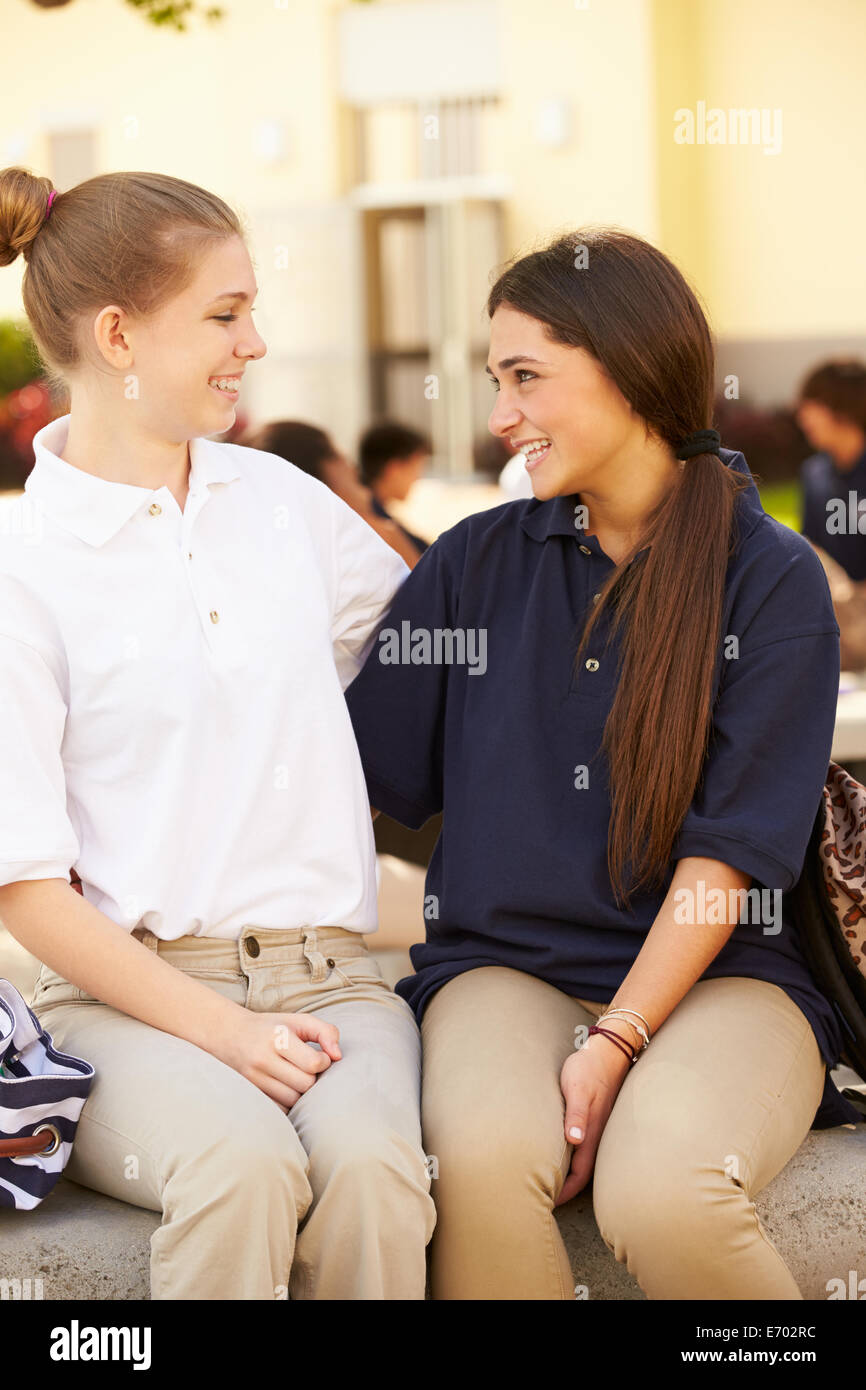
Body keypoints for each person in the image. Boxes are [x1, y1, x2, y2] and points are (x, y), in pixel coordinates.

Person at [343, 227, 863, 1301]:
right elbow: (353, 776)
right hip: (503, 966)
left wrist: (615, 1038)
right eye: (495, 380)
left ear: (628, 368)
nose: (498, 416)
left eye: (525, 376)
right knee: (479, 1168)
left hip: (722, 977)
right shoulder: (474, 562)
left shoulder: (766, 580)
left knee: (666, 1189)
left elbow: (725, 861)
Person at [0, 167, 435, 1297]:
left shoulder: (282, 502)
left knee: (383, 1170)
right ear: (117, 334)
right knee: (242, 1167)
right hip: (123, 1001)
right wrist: (225, 1033)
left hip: (335, 980)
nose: (253, 343)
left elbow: (439, 649)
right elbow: (26, 892)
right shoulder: (19, 571)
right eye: (224, 314)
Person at [243, 419, 423, 569]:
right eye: (336, 454)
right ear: (317, 474)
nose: (352, 467)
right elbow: (434, 599)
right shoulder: (368, 539)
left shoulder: (276, 554)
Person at [797, 359, 866, 582]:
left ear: (844, 406)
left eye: (813, 403)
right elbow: (810, 548)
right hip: (834, 609)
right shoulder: (813, 473)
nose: (802, 417)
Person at [358, 421, 431, 559]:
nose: (418, 477)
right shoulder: (376, 521)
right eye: (416, 467)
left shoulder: (372, 512)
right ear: (394, 468)